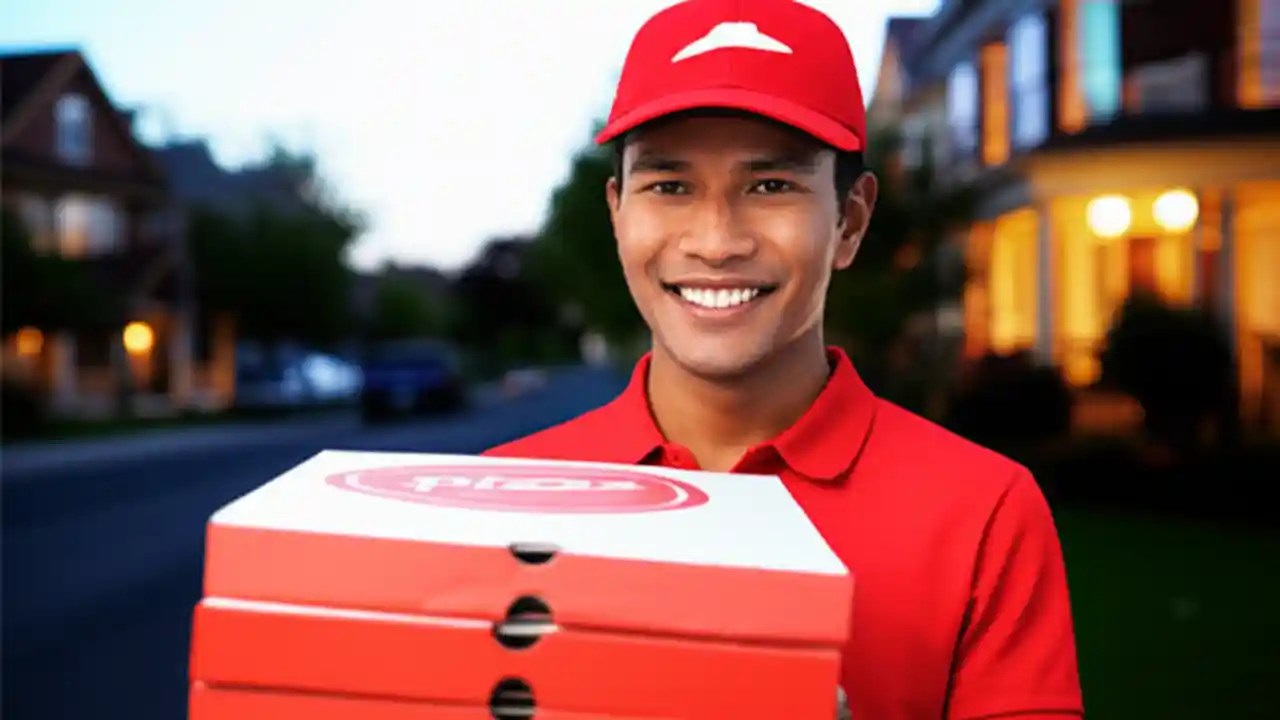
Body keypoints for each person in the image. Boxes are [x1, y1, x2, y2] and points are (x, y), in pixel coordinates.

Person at [484, 0, 1084, 717]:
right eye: (669, 186)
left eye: (771, 186)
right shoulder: (493, 502)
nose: (715, 240)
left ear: (849, 222)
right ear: (618, 215)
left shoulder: (985, 514)